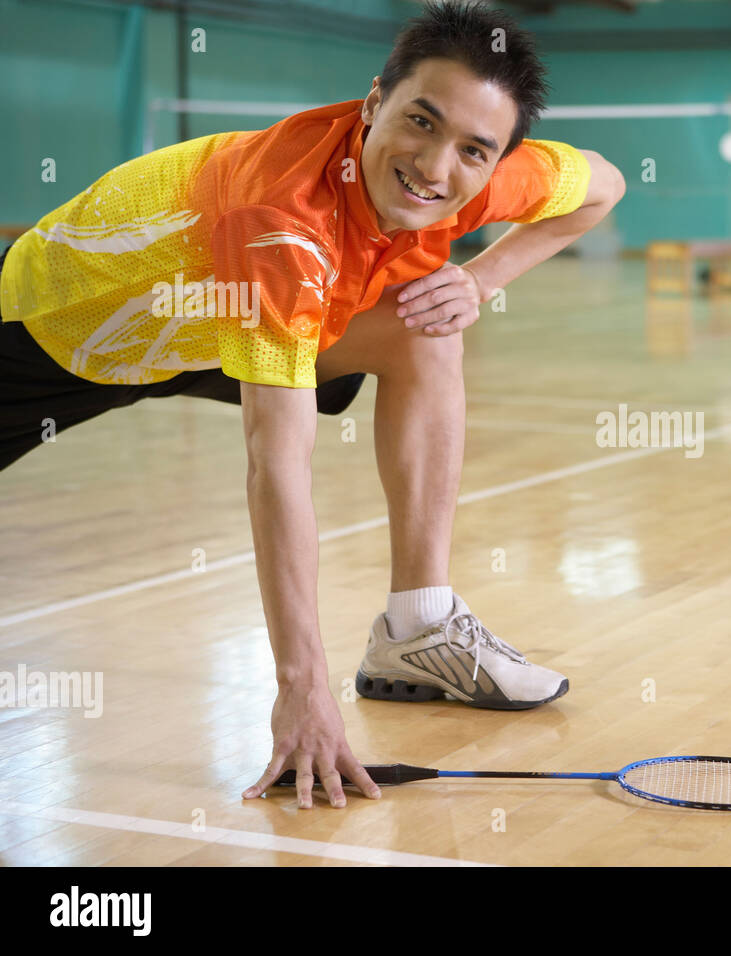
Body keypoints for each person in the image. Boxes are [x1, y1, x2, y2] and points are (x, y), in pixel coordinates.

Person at [0, 0, 626, 810]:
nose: (436, 167)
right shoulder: (281, 222)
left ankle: (418, 627)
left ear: (498, 158)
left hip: (210, 326)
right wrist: (302, 685)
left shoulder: (467, 176)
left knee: (426, 332)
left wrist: (480, 279)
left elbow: (602, 184)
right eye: (419, 123)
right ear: (374, 104)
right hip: (61, 330)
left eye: (473, 150)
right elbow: (278, 466)